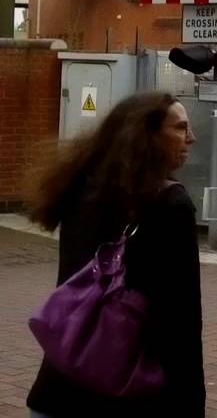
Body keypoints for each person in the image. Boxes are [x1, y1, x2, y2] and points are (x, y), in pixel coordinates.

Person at [26, 93, 204, 418]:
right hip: (124, 397)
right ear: (146, 135)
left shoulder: (80, 188)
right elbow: (180, 324)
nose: (190, 138)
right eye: (180, 128)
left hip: (57, 389)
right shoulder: (170, 206)